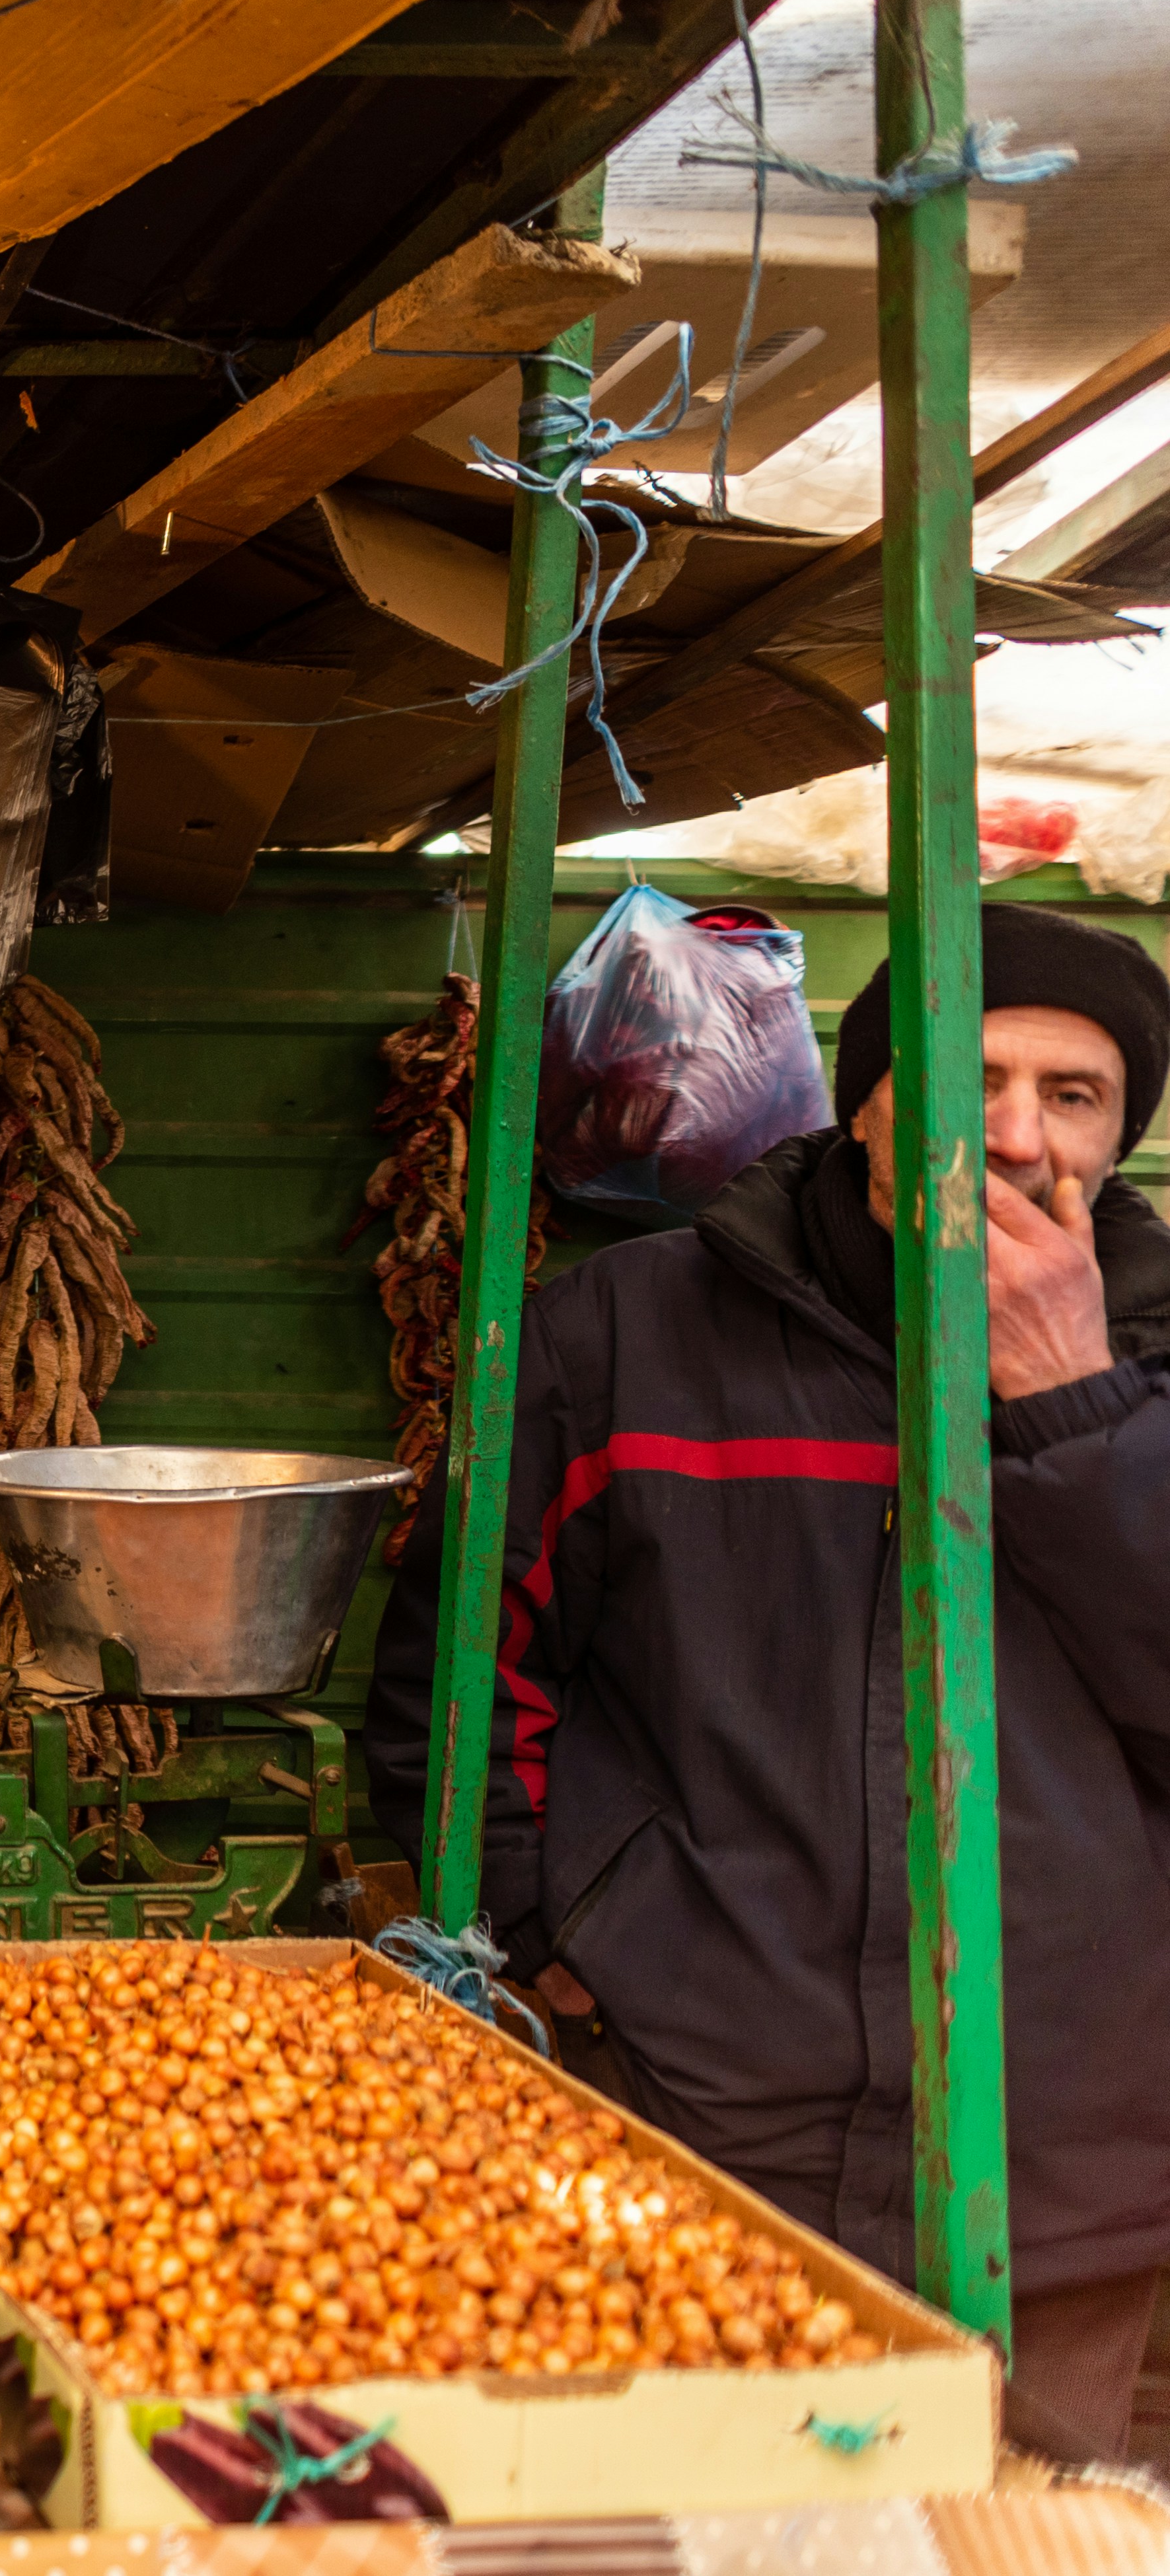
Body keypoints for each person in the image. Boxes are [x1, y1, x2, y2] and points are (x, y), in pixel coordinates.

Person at [368, 902, 1170, 2458]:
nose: (1012, 1136)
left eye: (1070, 1095)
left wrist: (1074, 1401)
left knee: (1007, 2539)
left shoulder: (1152, 1353)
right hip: (692, 2116)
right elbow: (466, 1663)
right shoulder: (631, 1326)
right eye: (968, 1075)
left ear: (1122, 1129)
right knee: (693, 2518)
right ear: (867, 1097)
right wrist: (552, 1921)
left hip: (1056, 2158)